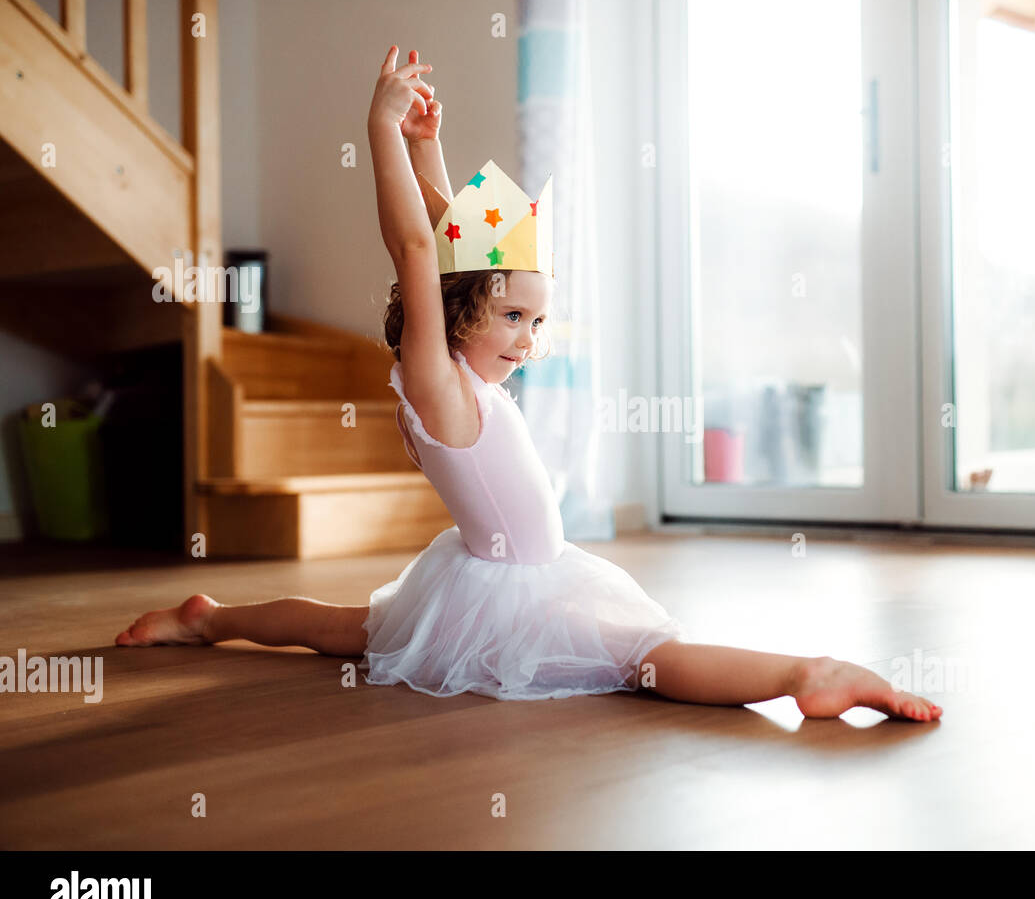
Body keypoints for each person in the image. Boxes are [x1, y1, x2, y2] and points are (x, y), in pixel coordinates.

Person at [117, 45, 941, 723]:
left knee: (348, 631)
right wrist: (379, 130)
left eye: (538, 322)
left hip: (506, 572)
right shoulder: (435, 378)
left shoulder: (459, 368)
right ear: (463, 309)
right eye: (514, 315)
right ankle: (807, 673)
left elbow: (443, 239)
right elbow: (417, 248)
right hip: (516, 590)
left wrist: (425, 143)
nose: (529, 338)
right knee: (647, 661)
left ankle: (210, 619)